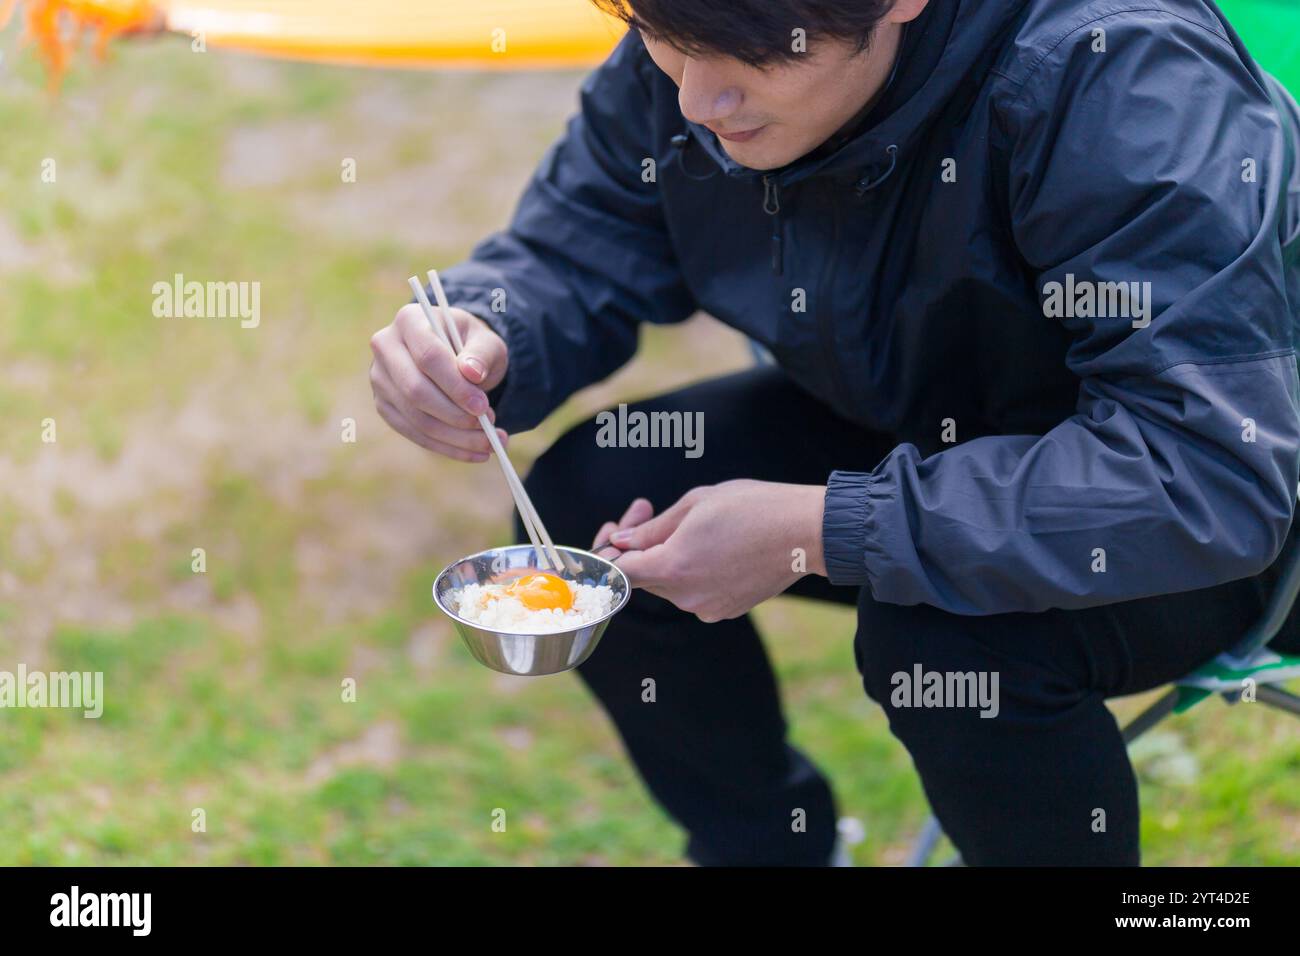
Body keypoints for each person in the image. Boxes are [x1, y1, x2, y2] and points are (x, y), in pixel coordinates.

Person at [369, 0, 1300, 865]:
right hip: (910, 417)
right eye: (663, 37)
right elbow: (590, 231)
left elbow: (1204, 470)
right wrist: (493, 327)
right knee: (593, 496)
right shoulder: (716, 25)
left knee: (946, 637)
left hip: (1221, 513)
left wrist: (825, 530)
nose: (696, 97)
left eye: (744, 53)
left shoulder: (1118, 78)